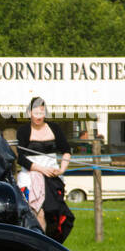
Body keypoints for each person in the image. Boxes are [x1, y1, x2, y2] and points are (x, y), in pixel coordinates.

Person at [15, 96, 74, 241]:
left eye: (41, 113)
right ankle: (36, 243)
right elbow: (21, 158)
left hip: (52, 176)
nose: (38, 117)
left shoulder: (54, 128)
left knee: (54, 213)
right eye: (35, 113)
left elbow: (66, 150)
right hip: (30, 176)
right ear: (29, 113)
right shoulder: (23, 131)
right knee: (37, 212)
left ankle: (51, 244)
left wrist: (61, 170)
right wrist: (41, 169)